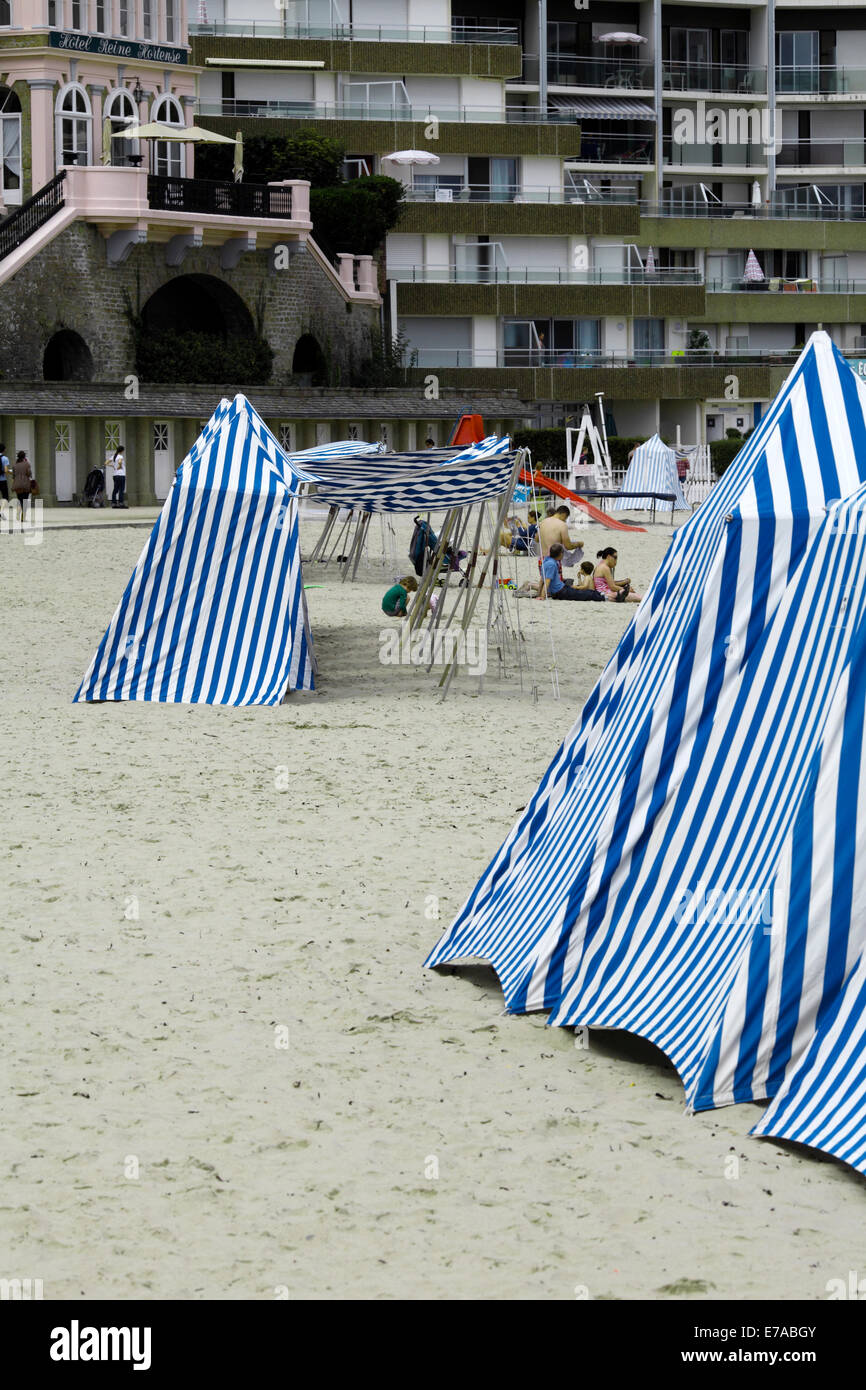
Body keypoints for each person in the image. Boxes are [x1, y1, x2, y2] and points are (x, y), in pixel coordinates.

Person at [537, 542, 604, 602]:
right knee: (583, 594)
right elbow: (547, 581)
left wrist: (539, 594)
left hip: (561, 589)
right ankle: (603, 597)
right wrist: (542, 596)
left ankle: (599, 594)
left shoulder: (546, 561)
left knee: (579, 591)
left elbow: (542, 579)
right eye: (563, 553)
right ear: (560, 554)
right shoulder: (551, 564)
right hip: (560, 591)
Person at [10, 449, 31, 522]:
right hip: (25, 484)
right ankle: (23, 516)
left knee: (20, 499)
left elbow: (13, 476)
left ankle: (18, 514)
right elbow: (29, 474)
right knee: (25, 500)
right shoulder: (27, 464)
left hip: (17, 485)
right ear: (24, 457)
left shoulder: (15, 465)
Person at [0, 442, 9, 506]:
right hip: (2, 480)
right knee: (5, 496)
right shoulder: (5, 458)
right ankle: (1, 510)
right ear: (3, 450)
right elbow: (6, 470)